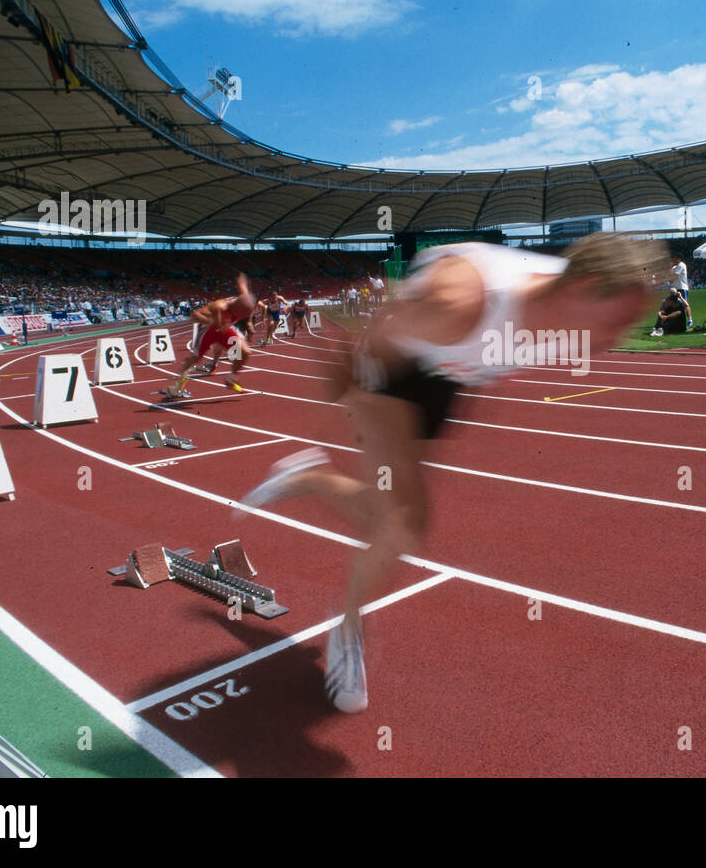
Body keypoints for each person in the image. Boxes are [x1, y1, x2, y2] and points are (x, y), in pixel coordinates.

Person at [238, 233, 666, 713]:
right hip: (394, 371)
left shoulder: (569, 311)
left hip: (452, 374)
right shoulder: (459, 299)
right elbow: (375, 333)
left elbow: (507, 345)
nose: (623, 334)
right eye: (621, 318)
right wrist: (340, 405)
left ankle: (307, 477)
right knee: (403, 525)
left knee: (387, 519)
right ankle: (347, 630)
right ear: (582, 290)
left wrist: (486, 379)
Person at [164, 274, 256, 397]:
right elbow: (194, 315)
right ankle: (177, 385)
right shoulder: (220, 307)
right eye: (242, 313)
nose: (243, 316)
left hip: (225, 328)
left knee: (245, 352)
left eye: (246, 314)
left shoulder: (243, 302)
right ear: (237, 307)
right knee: (196, 358)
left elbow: (242, 284)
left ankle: (231, 379)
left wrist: (242, 278)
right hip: (208, 329)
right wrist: (211, 321)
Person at [669, 255, 693, 330]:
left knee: (685, 304)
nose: (673, 260)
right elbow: (670, 279)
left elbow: (674, 276)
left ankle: (690, 320)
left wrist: (670, 276)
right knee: (675, 305)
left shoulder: (681, 265)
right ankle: (677, 321)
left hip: (682, 287)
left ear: (678, 258)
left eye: (674, 258)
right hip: (675, 288)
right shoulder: (674, 267)